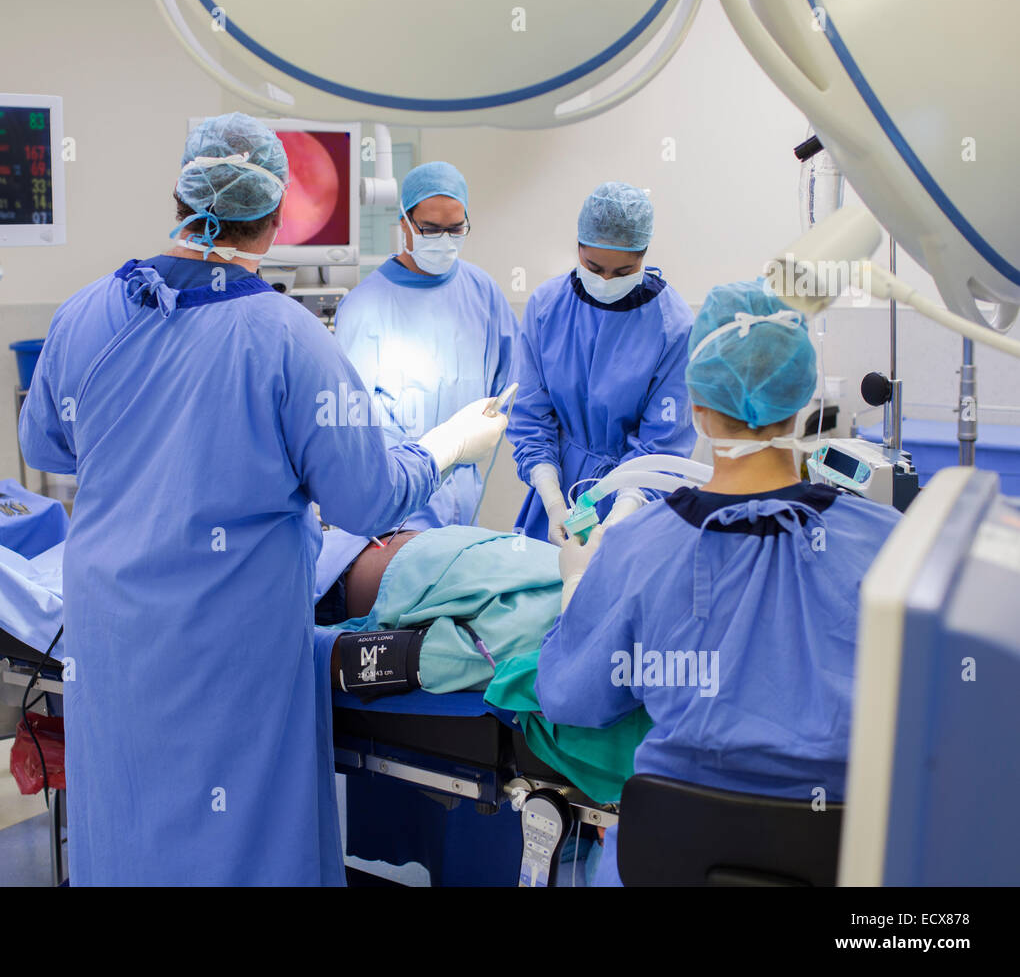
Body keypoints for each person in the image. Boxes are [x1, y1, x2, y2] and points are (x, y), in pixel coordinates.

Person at [18, 112, 507, 886]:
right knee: (236, 834)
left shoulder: (84, 314)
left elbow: (45, 447)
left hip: (111, 632)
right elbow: (369, 496)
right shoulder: (287, 338)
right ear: (276, 222)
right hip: (226, 644)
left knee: (128, 815)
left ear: (177, 196)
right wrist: (446, 445)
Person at [536, 280, 903, 886]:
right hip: (852, 862)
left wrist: (578, 589)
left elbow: (571, 697)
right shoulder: (889, 542)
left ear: (697, 406)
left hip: (671, 854)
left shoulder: (638, 548)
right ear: (804, 398)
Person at [508, 182, 695, 544]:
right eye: (593, 267)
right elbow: (531, 417)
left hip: (636, 498)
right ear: (578, 247)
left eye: (623, 271)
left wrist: (617, 520)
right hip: (558, 488)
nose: (606, 280)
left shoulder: (673, 325)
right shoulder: (547, 307)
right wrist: (551, 499)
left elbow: (662, 444)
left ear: (643, 254)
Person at [335, 161, 517, 529]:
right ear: (403, 222)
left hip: (466, 495)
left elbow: (515, 382)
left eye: (456, 229)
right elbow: (351, 423)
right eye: (431, 230)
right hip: (398, 498)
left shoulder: (482, 292)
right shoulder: (365, 305)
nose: (445, 240)